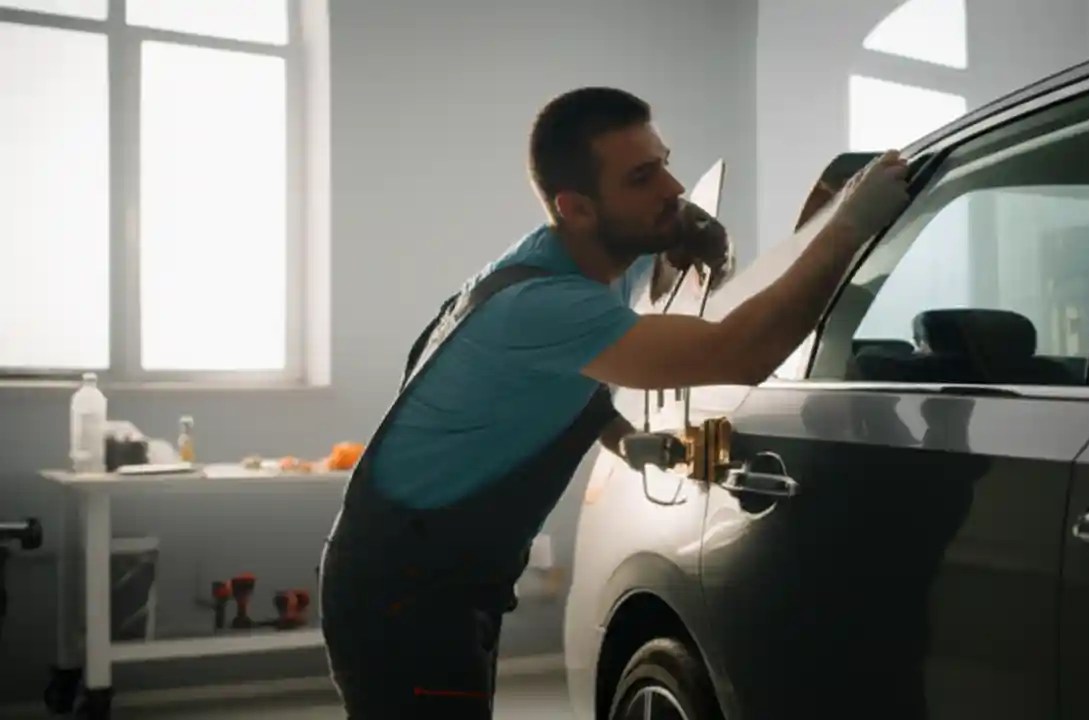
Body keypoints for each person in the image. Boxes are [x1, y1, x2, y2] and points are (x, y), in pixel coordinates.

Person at [318, 86, 910, 719]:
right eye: (642, 177)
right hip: (402, 591)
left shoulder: (585, 257)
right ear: (577, 207)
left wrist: (623, 436)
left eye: (664, 162)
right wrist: (848, 225)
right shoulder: (542, 305)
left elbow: (552, 380)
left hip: (439, 577)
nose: (674, 187)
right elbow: (739, 353)